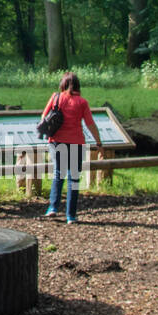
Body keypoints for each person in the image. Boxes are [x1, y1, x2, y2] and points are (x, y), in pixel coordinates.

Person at [40, 71, 103, 224]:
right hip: (76, 142)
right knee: (73, 179)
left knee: (58, 174)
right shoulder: (82, 102)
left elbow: (44, 117)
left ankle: (53, 208)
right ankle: (71, 215)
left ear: (63, 84)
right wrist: (98, 142)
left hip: (56, 141)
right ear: (78, 86)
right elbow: (90, 124)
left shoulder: (56, 97)